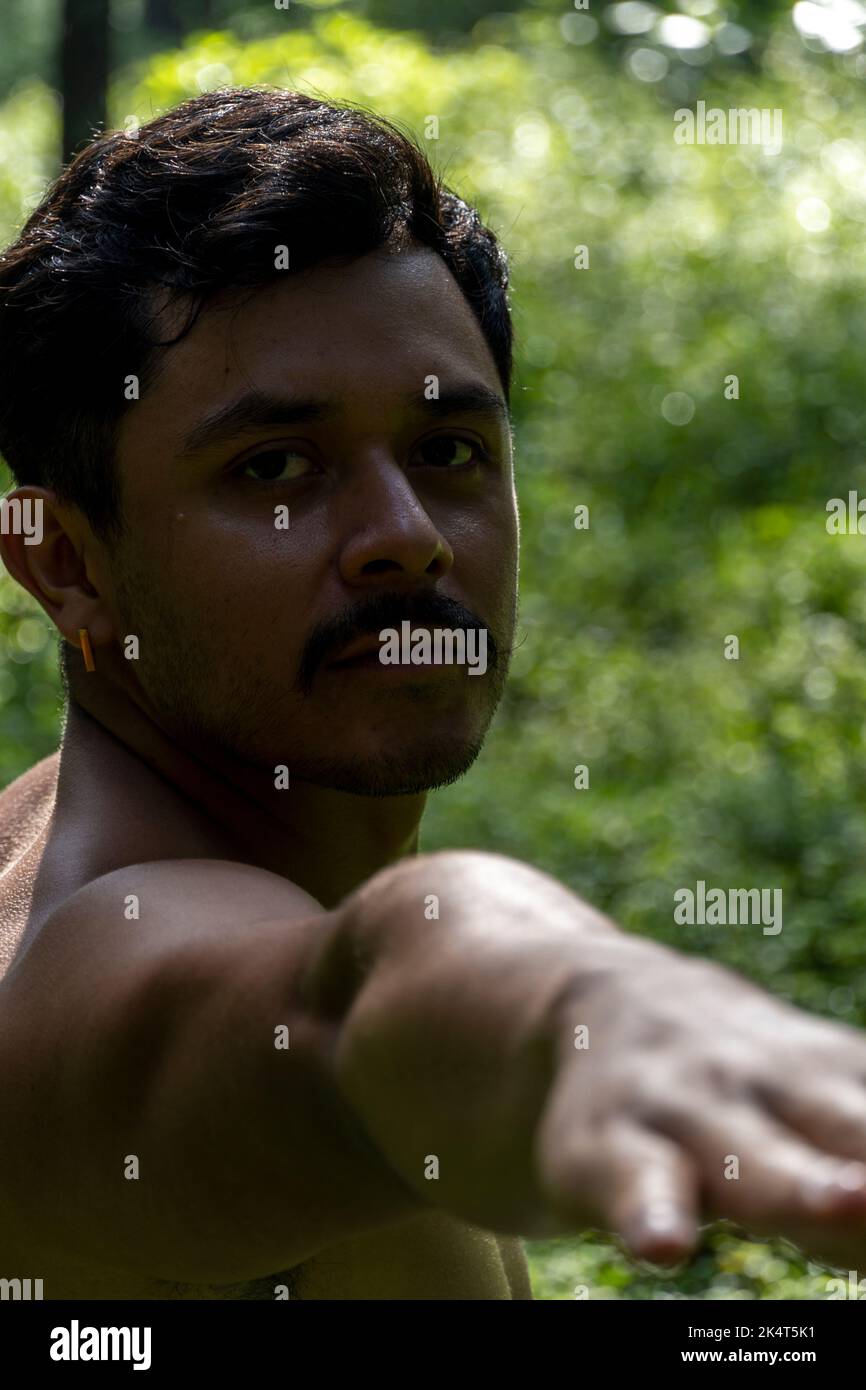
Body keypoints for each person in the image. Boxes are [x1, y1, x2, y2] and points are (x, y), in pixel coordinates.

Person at [0, 87, 865, 1302]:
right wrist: (580, 994)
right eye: (277, 467)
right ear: (69, 563)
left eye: (445, 449)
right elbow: (354, 1014)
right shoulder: (97, 983)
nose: (404, 539)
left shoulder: (48, 831)